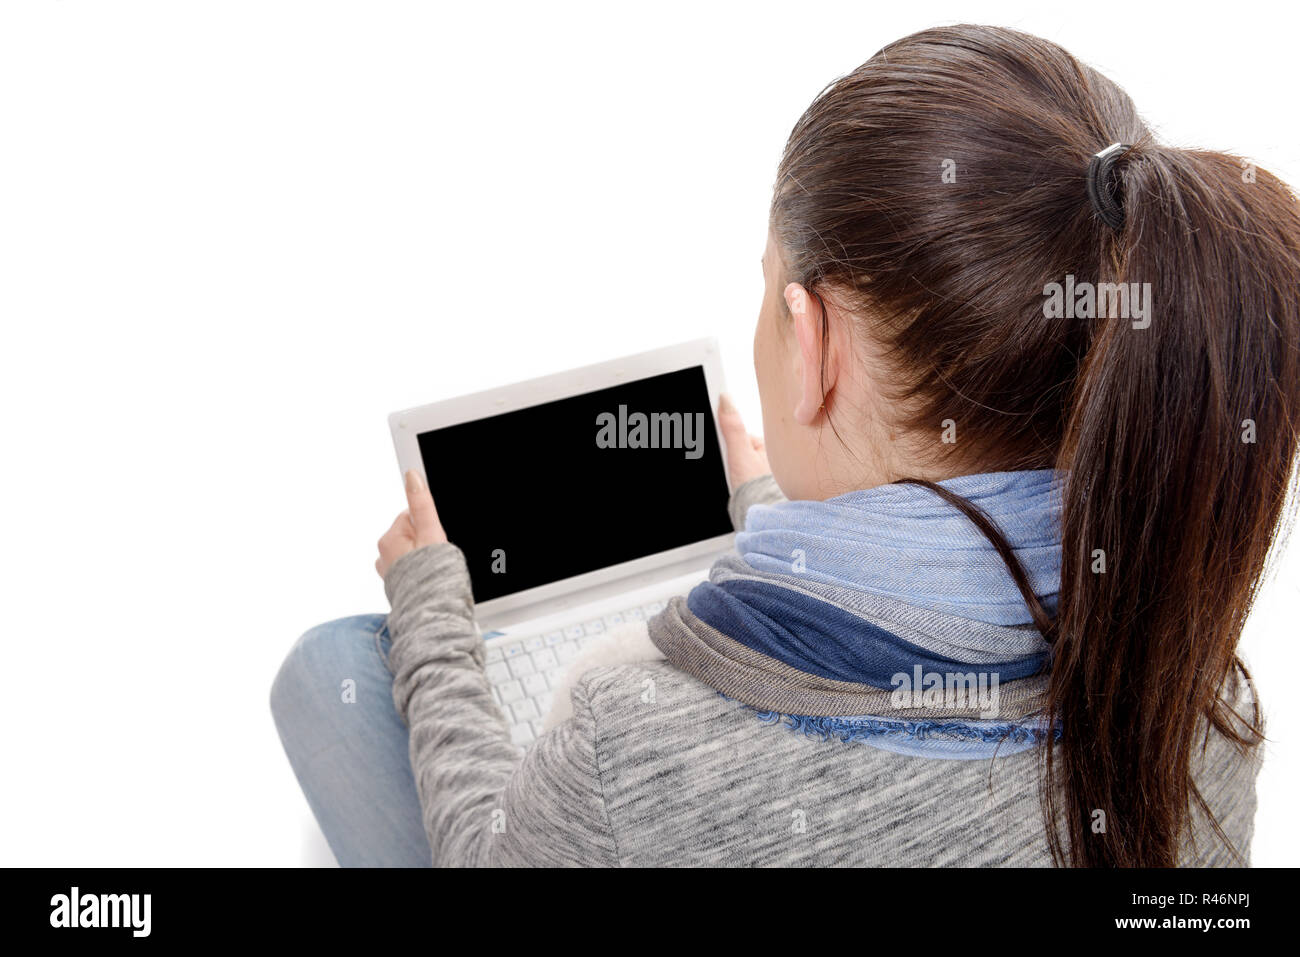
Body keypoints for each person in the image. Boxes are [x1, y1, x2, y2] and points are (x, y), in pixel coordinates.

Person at [271, 24, 1300, 867]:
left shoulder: (620, 729)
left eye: (773, 289)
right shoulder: (1191, 690)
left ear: (813, 348)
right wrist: (783, 518)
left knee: (337, 662)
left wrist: (431, 612)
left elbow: (489, 853)